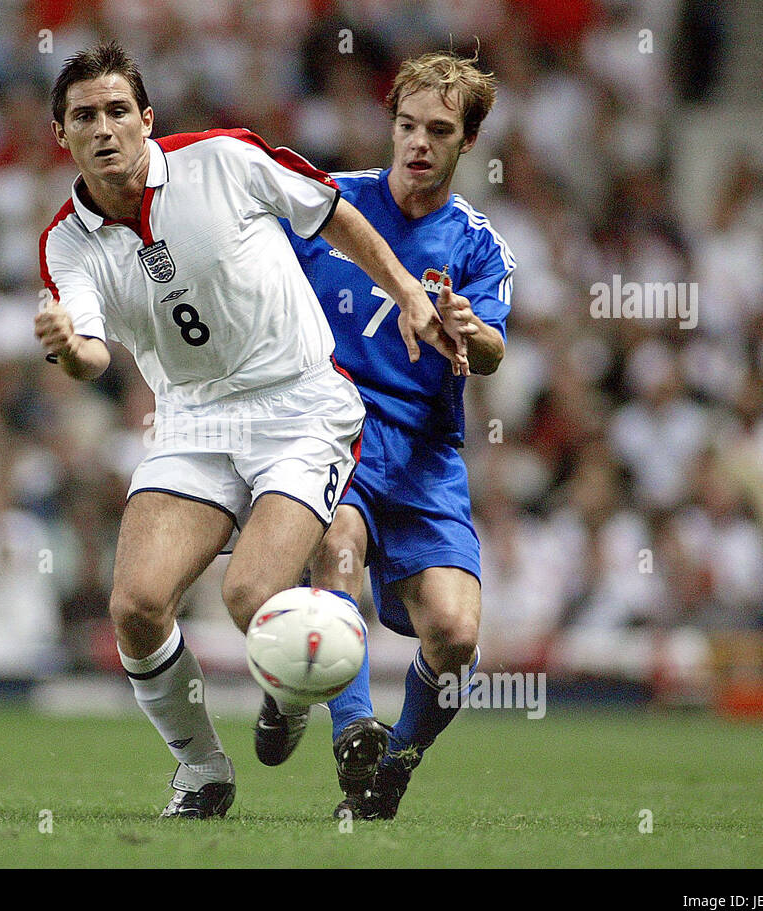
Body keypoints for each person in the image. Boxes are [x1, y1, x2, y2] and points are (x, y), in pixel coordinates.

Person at [35, 41, 467, 819]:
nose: (105, 129)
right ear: (60, 133)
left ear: (147, 119)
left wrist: (406, 290)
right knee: (135, 604)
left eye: (118, 111)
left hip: (299, 403)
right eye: (84, 116)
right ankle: (203, 769)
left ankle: (292, 693)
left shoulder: (222, 159)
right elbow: (93, 351)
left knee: (253, 592)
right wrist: (71, 352)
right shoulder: (66, 241)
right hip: (193, 418)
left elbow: (331, 211)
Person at [286, 51, 513, 819]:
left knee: (453, 632)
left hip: (424, 454)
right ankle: (354, 731)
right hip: (334, 425)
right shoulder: (328, 206)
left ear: (467, 142)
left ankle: (398, 762)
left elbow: (490, 352)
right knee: (335, 546)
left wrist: (467, 327)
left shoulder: (480, 246)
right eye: (408, 124)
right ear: (391, 125)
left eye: (439, 130)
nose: (419, 142)